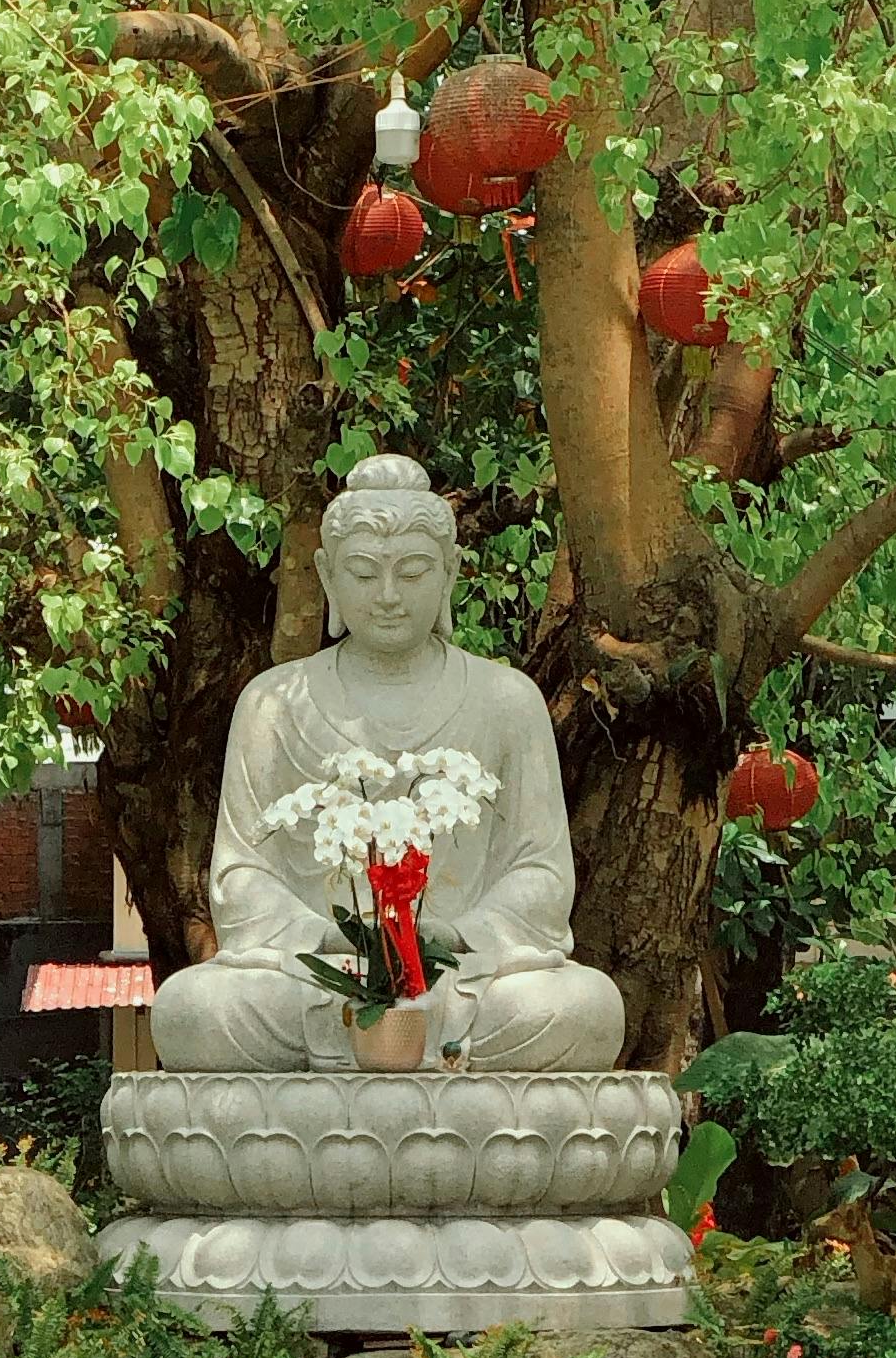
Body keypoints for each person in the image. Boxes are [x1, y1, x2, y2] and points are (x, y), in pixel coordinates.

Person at [149, 455, 626, 1070]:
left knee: (585, 1008)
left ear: (451, 572)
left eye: (414, 571)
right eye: (365, 573)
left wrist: (443, 940)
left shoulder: (507, 701)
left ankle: (414, 1043)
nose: (390, 597)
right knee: (194, 1011)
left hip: (465, 981)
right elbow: (240, 880)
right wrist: (339, 941)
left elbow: (544, 875)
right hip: (318, 983)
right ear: (327, 576)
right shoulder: (272, 704)